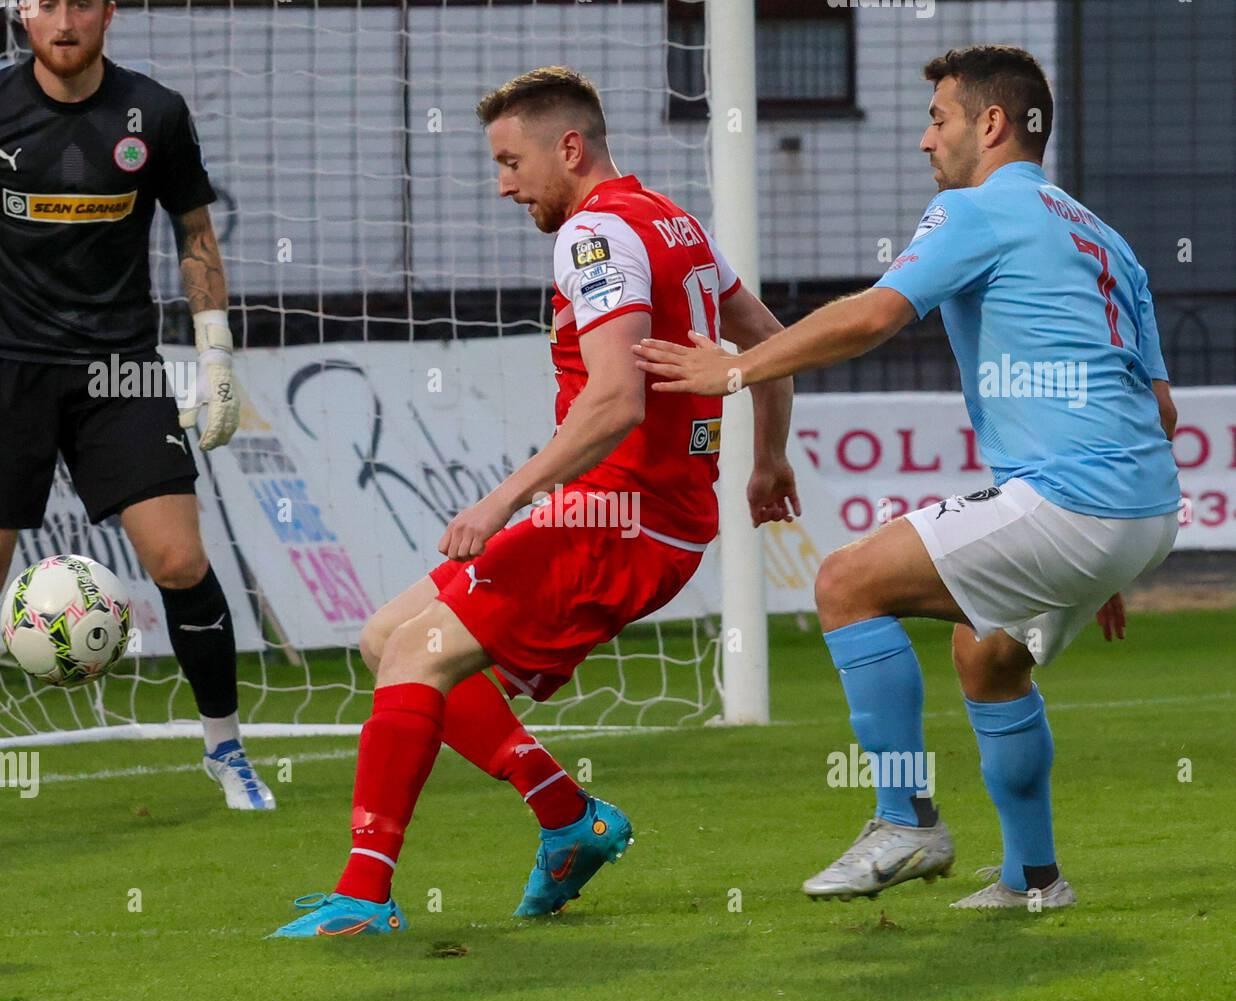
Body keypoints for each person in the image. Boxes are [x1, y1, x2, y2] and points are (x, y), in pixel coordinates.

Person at [634, 45, 1180, 910]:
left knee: (846, 582)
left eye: (938, 118)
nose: (926, 141)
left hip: (1082, 505)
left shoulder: (974, 210)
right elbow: (1161, 413)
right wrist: (1106, 554)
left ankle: (906, 817)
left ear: (991, 125)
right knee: (990, 655)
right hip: (1144, 510)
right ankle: (1034, 880)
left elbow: (873, 315)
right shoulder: (1104, 237)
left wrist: (734, 370)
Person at [271, 66, 798, 938]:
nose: (504, 184)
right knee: (384, 639)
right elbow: (770, 343)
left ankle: (364, 898)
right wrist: (768, 457)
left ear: (570, 147)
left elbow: (615, 399)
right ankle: (566, 819)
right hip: (641, 516)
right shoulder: (674, 221)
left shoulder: (593, 235)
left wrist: (499, 500)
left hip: (619, 519)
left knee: (414, 663)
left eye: (512, 162)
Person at [0, 0, 275, 822]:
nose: (63, 19)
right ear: (23, 13)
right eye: (47, 3)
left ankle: (225, 746)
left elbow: (195, 230)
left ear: (107, 13)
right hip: (2, 366)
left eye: (80, 2)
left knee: (179, 562)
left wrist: (216, 352)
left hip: (118, 370)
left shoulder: (154, 112)